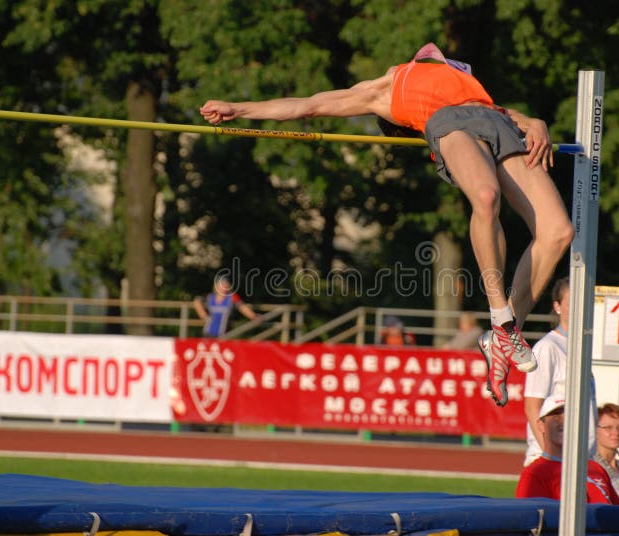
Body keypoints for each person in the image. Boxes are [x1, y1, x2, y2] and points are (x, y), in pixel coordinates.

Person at [200, 42, 574, 407]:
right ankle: (501, 318)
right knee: (486, 196)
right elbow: (307, 105)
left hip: (494, 119)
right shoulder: (383, 89)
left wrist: (535, 122)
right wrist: (239, 108)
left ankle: (502, 338)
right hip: (453, 128)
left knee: (559, 232)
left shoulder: (465, 79)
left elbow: (512, 115)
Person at [522, 277, 596, 465]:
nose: (579, 308)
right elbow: (532, 408)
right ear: (557, 306)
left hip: (578, 461)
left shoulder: (581, 346)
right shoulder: (548, 348)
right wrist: (552, 459)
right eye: (572, 302)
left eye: (583, 301)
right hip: (553, 462)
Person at [515, 396, 619, 504]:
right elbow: (530, 517)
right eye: (556, 415)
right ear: (541, 425)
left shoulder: (595, 468)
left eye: (570, 415)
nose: (564, 421)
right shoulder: (534, 474)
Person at [193, 275, 258, 337]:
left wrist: (253, 316)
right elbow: (197, 300)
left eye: (225, 285)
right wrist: (203, 315)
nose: (223, 287)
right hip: (208, 332)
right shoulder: (210, 297)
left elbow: (242, 307)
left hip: (224, 335)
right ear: (216, 286)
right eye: (221, 285)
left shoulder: (232, 297)